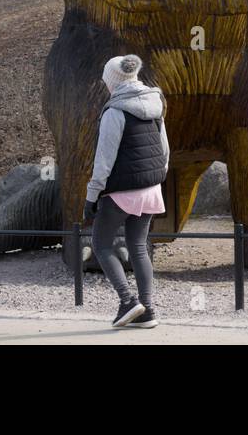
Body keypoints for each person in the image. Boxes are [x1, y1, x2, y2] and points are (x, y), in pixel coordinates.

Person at [84, 54, 168, 328]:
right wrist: (154, 179)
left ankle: (128, 301)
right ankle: (148, 310)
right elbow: (165, 151)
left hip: (122, 190)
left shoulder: (115, 111)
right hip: (151, 188)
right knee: (139, 247)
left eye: (106, 81)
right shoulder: (156, 104)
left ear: (113, 81)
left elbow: (104, 160)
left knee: (100, 244)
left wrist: (92, 195)